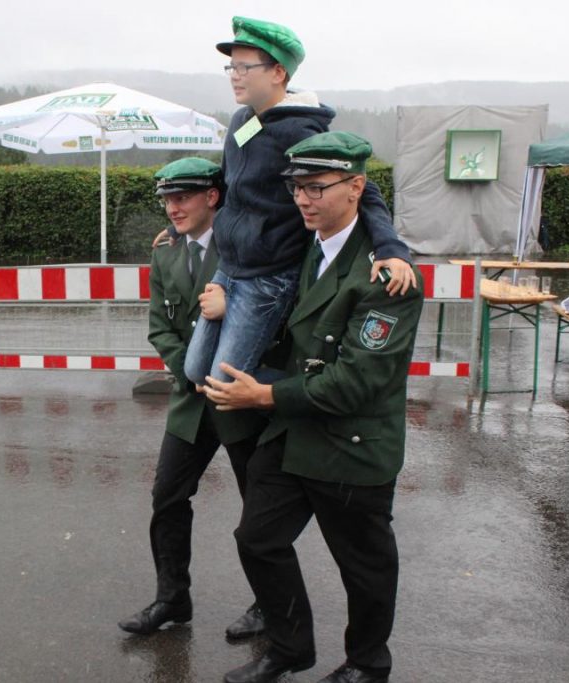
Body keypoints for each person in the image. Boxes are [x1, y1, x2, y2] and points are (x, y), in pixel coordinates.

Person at [202, 132, 424, 683]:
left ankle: (368, 664)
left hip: (351, 443)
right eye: (297, 187)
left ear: (356, 187)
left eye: (316, 187)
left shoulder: (386, 274)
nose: (303, 199)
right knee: (258, 539)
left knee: (364, 567)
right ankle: (289, 648)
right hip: (295, 432)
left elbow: (357, 382)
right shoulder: (307, 247)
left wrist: (265, 396)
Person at [182, 16, 417, 388]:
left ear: (278, 72)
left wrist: (391, 248)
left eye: (244, 67)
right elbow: (227, 187)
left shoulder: (300, 129)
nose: (234, 76)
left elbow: (362, 188)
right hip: (230, 265)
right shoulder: (242, 121)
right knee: (194, 372)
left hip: (268, 275)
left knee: (221, 382)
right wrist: (179, 229)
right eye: (231, 67)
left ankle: (303, 390)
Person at [118, 158, 268, 639]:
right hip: (190, 398)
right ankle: (172, 598)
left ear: (213, 196)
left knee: (258, 508)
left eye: (182, 197)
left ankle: (268, 605)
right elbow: (159, 327)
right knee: (167, 496)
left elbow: (268, 312)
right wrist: (191, 368)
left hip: (237, 395)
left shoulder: (244, 247)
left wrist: (218, 372)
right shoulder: (165, 253)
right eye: (167, 199)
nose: (173, 208)